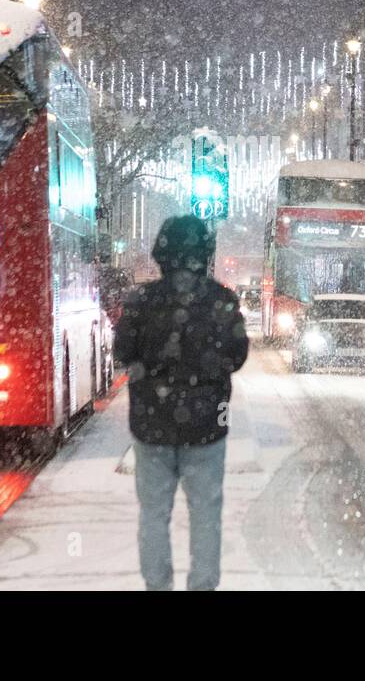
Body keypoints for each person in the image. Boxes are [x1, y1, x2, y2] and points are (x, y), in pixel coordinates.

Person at [112, 215, 248, 591]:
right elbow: (237, 356)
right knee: (205, 514)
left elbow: (122, 350)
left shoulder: (142, 301)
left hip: (151, 425)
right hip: (207, 427)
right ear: (205, 254)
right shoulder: (221, 301)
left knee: (154, 515)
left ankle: (158, 584)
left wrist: (153, 370)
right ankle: (202, 584)